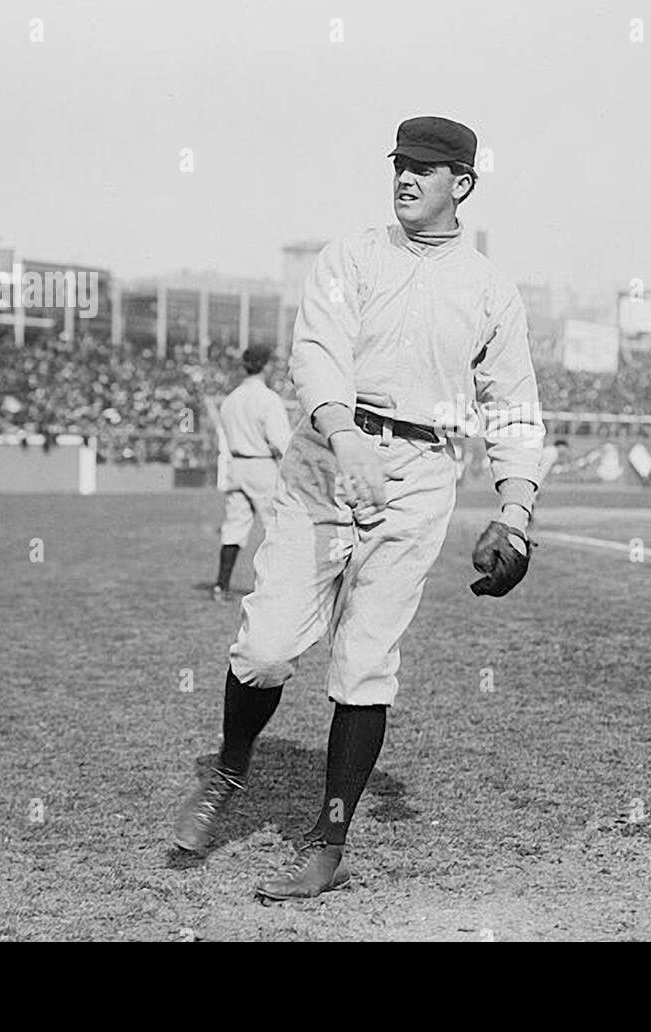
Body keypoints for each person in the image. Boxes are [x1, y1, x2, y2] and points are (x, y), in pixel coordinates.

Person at [173, 116, 545, 900]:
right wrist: (346, 440)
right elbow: (317, 353)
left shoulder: (488, 289)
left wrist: (515, 510)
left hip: (420, 471)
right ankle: (228, 775)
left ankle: (327, 842)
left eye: (427, 168)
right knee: (268, 646)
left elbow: (512, 405)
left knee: (365, 662)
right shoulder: (350, 256)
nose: (407, 177)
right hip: (328, 456)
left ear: (462, 185)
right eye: (401, 163)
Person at [210, 345, 293, 601]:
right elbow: (281, 441)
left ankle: (221, 586)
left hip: (237, 465)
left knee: (234, 526)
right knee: (275, 526)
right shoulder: (268, 398)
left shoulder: (231, 399)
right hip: (262, 465)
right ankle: (272, 587)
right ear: (266, 365)